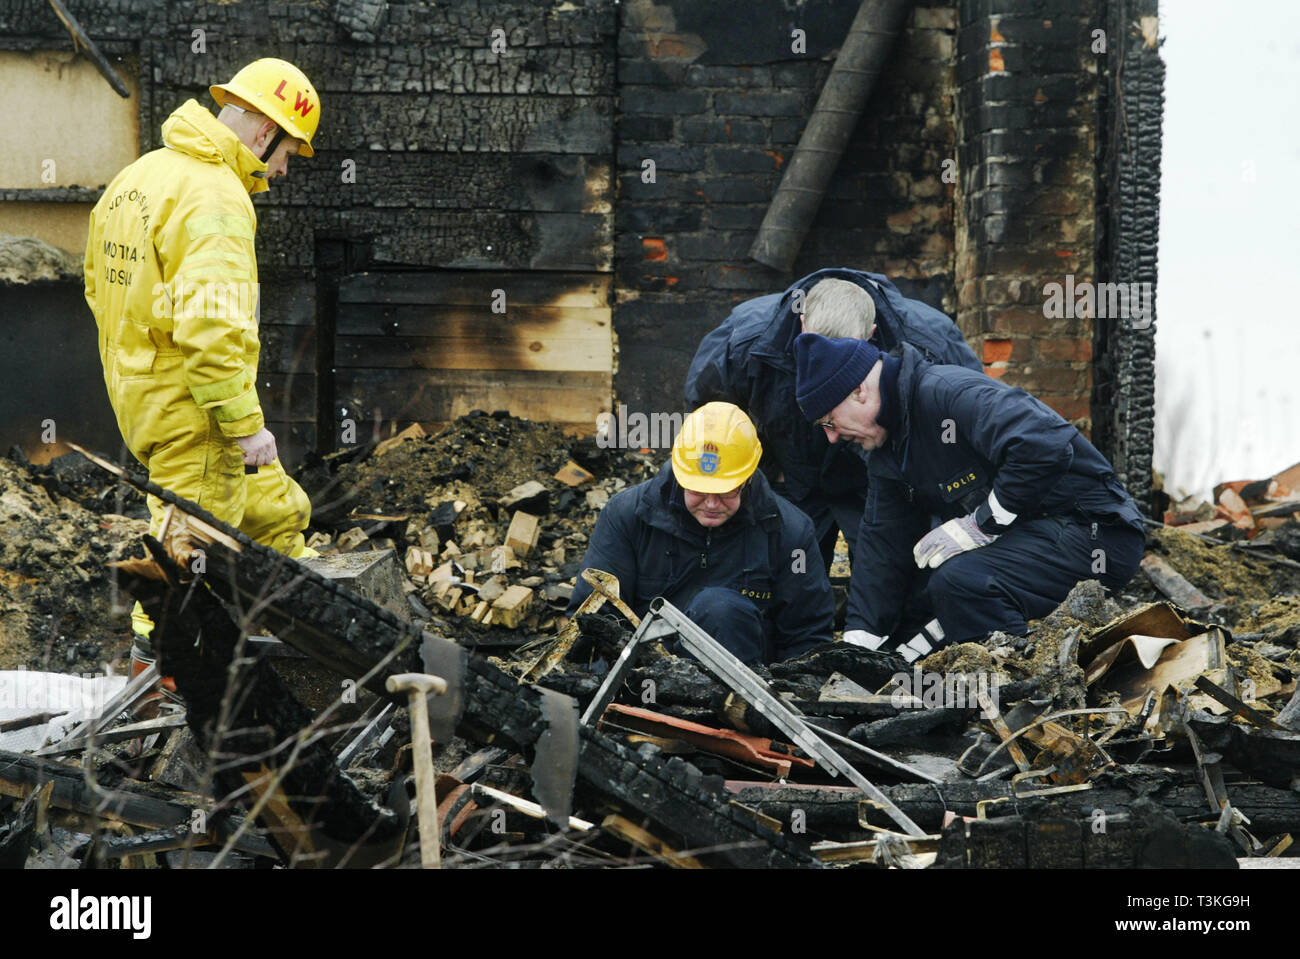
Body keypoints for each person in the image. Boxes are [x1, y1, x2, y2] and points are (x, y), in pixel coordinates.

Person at [83, 58, 322, 673]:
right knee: (183, 567)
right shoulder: (216, 196)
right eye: (289, 152)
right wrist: (245, 425)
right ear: (266, 132)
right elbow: (211, 331)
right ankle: (162, 699)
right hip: (199, 414)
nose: (284, 169)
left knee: (280, 513)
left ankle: (283, 651)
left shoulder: (142, 176)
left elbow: (95, 286)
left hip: (148, 395)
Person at [793, 333, 1146, 662]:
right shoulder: (889, 445)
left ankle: (1011, 687)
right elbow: (883, 544)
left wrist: (983, 522)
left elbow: (1043, 446)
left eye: (829, 421)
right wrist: (858, 645)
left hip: (1097, 532)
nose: (832, 438)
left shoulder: (948, 393)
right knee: (917, 604)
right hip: (1029, 538)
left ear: (859, 391)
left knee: (961, 582)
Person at [685, 269, 981, 573]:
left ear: (871, 334)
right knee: (779, 584)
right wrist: (765, 472)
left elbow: (963, 429)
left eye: (844, 357)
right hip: (791, 476)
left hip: (879, 481)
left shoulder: (929, 342)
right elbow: (711, 415)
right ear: (802, 325)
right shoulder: (746, 338)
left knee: (895, 584)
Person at [566, 402, 833, 666]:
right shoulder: (626, 516)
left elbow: (807, 637)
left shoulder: (791, 533)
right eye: (698, 490)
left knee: (720, 609)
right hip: (645, 682)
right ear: (680, 474)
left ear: (748, 478)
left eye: (726, 491)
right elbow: (594, 620)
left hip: (744, 688)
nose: (712, 504)